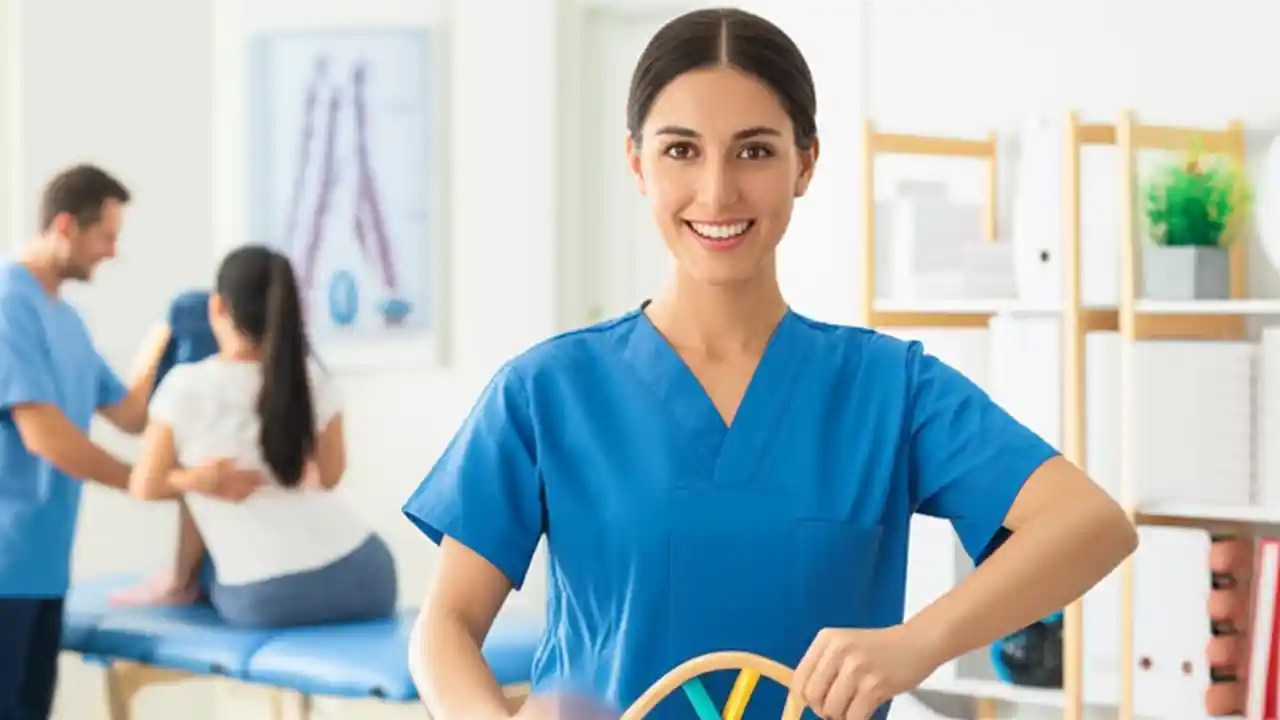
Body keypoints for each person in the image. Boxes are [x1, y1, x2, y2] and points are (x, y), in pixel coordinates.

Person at [402, 8, 1138, 720]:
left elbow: (1089, 523)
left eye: (753, 151)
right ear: (636, 163)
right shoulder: (546, 392)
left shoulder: (890, 390)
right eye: (681, 151)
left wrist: (917, 644)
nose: (717, 191)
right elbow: (447, 626)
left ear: (805, 164)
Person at [0, 164, 259, 720]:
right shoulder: (8, 304)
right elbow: (44, 436)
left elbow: (131, 413)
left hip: (44, 566)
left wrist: (169, 334)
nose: (113, 252)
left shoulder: (66, 321)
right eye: (107, 236)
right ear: (65, 226)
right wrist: (156, 484)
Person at [124, 244, 398, 629]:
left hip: (267, 595)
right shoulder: (313, 379)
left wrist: (198, 480)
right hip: (366, 578)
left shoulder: (184, 385)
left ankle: (178, 582)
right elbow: (330, 476)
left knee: (206, 572)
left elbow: (144, 485)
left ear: (218, 307)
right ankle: (178, 580)